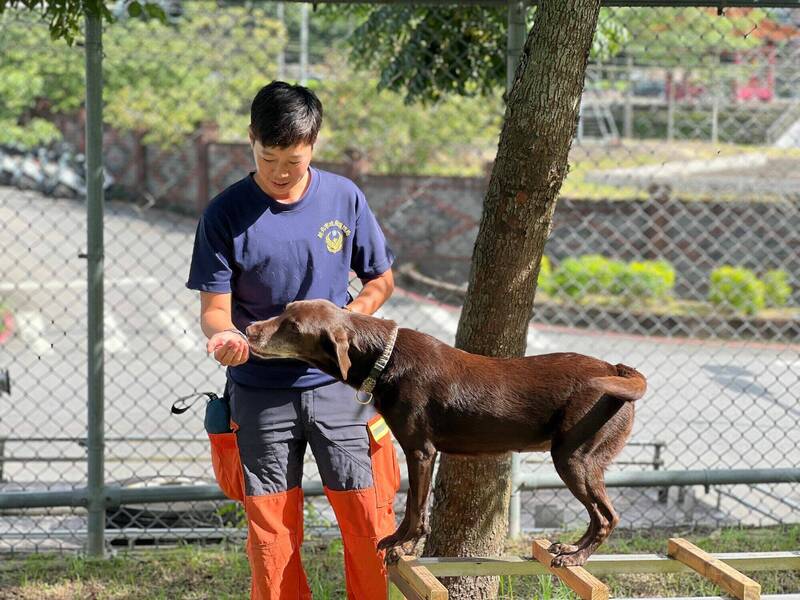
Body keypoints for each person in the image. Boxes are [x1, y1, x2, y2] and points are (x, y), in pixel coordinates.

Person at [186, 81, 400, 600]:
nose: (280, 172)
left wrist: (348, 320)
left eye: (294, 161)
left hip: (341, 388)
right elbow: (214, 311)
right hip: (259, 392)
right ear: (251, 139)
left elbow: (380, 280)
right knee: (271, 536)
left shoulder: (343, 197)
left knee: (369, 520)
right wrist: (225, 337)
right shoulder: (224, 213)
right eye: (268, 158)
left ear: (314, 145)